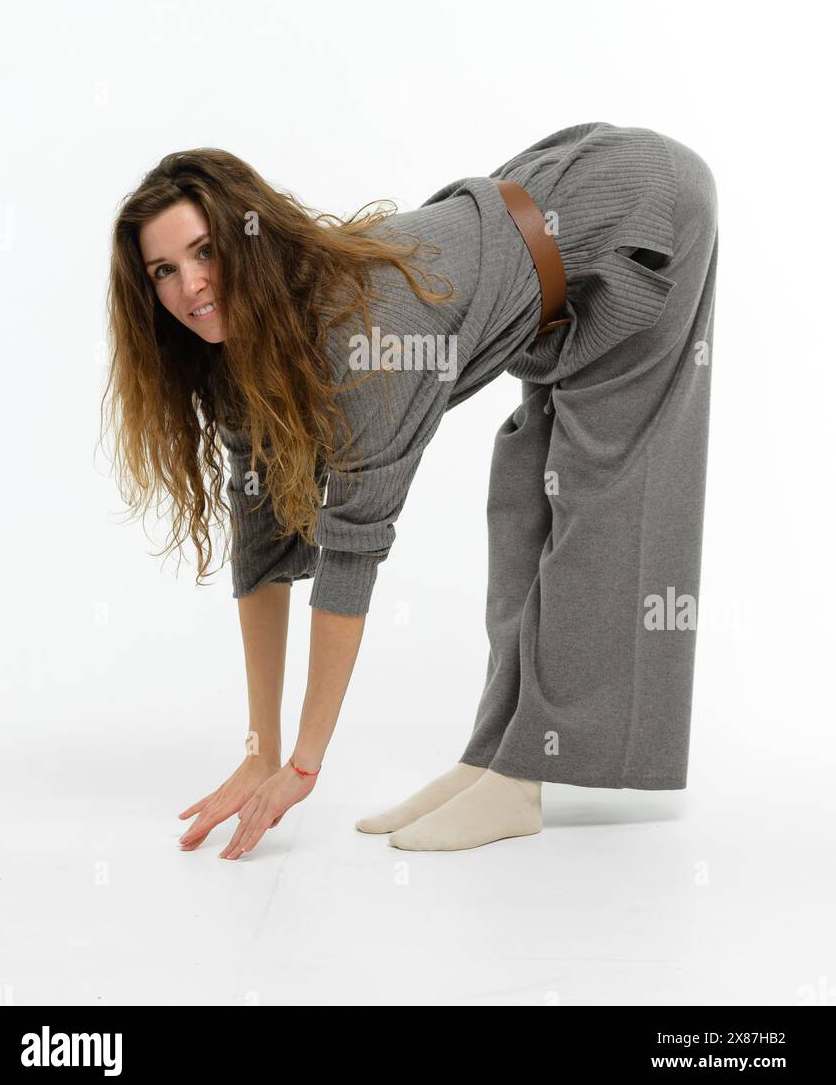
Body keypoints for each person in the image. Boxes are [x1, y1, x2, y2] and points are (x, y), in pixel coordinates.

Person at [101, 121, 718, 855]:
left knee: (601, 492)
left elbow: (351, 552)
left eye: (204, 252)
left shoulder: (366, 336)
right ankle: (495, 759)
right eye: (163, 271)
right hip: (548, 243)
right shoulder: (242, 364)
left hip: (640, 209)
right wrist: (260, 747)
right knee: (522, 496)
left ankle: (522, 780)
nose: (190, 285)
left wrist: (303, 764)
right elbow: (262, 551)